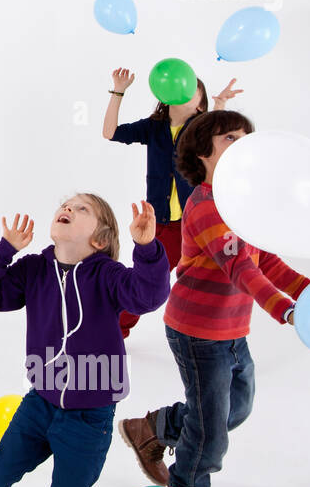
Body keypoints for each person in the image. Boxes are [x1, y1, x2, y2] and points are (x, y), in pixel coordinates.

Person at [116, 110, 310, 487]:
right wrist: (287, 311)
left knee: (233, 410)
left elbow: (268, 262)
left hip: (233, 330)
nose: (241, 144)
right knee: (209, 434)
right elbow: (239, 267)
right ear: (202, 153)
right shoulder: (204, 204)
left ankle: (153, 426)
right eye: (228, 138)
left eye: (246, 138)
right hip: (197, 330)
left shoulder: (247, 206)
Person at [0, 194, 170, 487]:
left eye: (81, 208)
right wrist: (4, 250)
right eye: (65, 205)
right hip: (40, 401)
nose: (67, 209)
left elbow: (148, 296)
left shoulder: (108, 276)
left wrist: (146, 248)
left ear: (99, 240)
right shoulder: (33, 269)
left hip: (90, 415)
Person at [102, 67, 242, 337]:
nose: (182, 88)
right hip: (164, 225)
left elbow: (218, 133)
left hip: (200, 223)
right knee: (145, 282)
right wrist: (118, 91)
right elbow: (110, 132)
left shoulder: (201, 128)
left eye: (191, 87)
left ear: (200, 103)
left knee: (212, 281)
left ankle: (219, 336)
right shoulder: (153, 128)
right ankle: (113, 330)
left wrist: (221, 104)